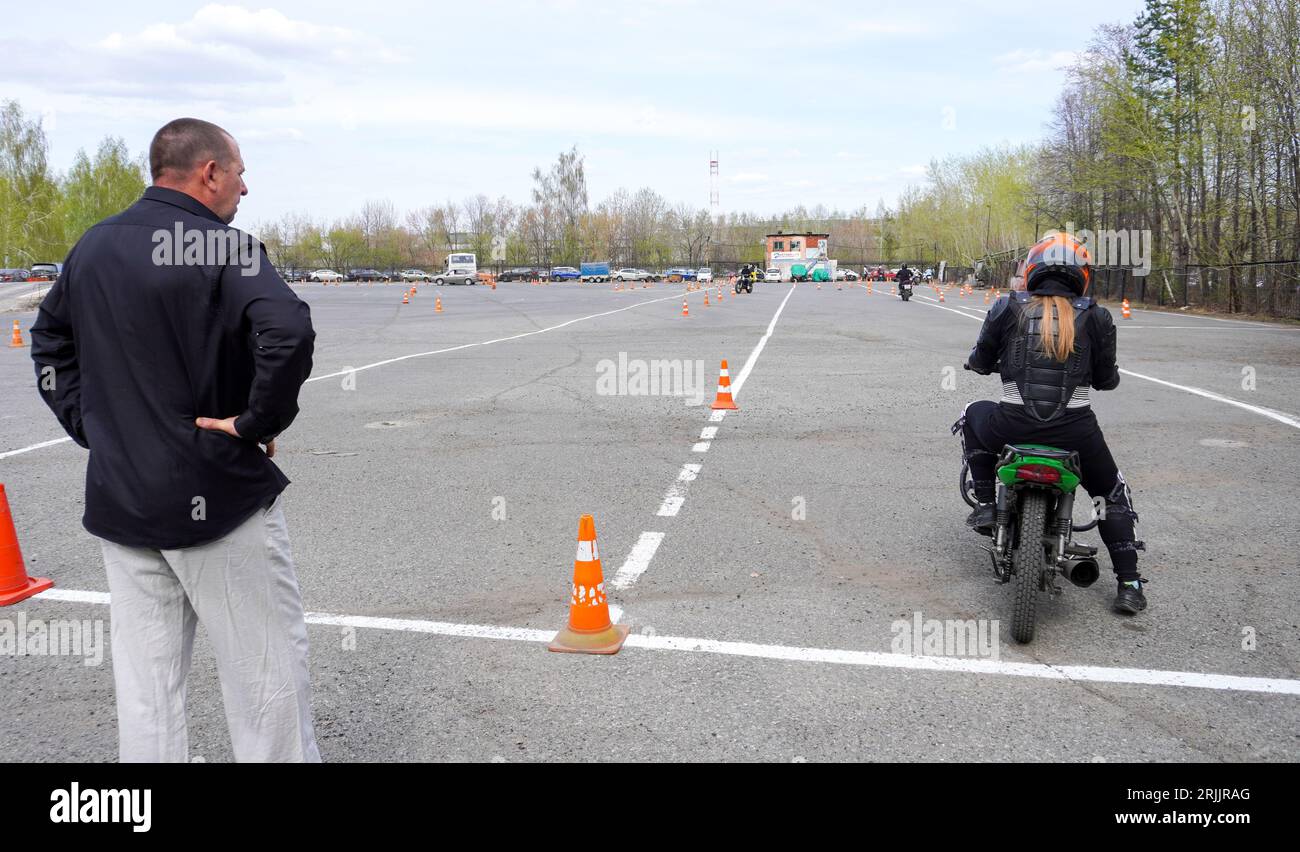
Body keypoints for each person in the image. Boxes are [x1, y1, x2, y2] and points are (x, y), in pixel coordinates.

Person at [30, 117, 321, 760]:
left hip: (122, 496)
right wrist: (253, 424)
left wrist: (91, 424)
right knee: (264, 674)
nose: (245, 190)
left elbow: (49, 341)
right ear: (209, 172)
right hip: (214, 497)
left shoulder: (93, 246)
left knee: (148, 686)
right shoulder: (225, 247)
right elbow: (290, 333)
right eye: (240, 174)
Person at [957, 233, 1146, 614]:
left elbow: (979, 360)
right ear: (1083, 274)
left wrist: (988, 364)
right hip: (1076, 433)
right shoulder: (1097, 315)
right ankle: (1129, 583)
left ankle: (987, 505)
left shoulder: (1007, 307)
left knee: (972, 413)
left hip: (1010, 425)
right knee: (1110, 495)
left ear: (1032, 269)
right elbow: (1107, 380)